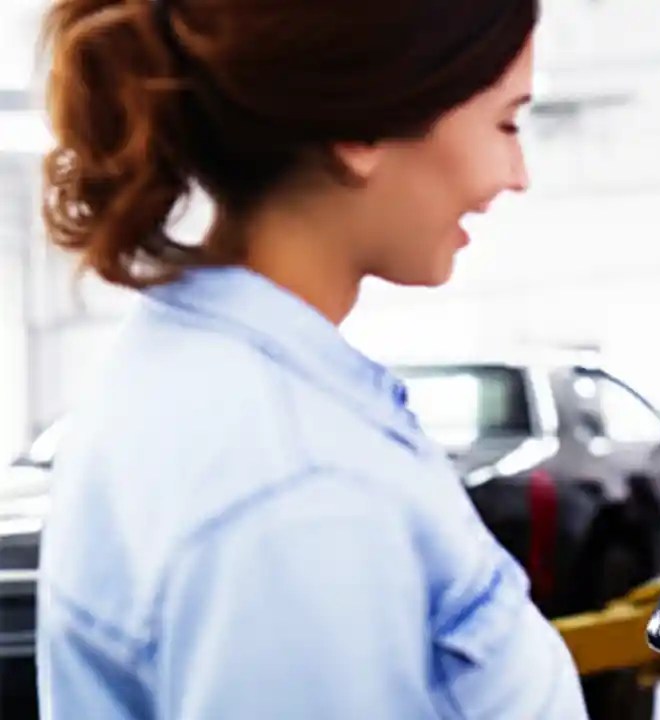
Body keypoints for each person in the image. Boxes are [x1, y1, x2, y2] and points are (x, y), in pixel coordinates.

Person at [34, 0, 588, 718]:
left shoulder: (179, 365)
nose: (517, 174)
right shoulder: (299, 491)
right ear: (363, 130)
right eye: (505, 123)